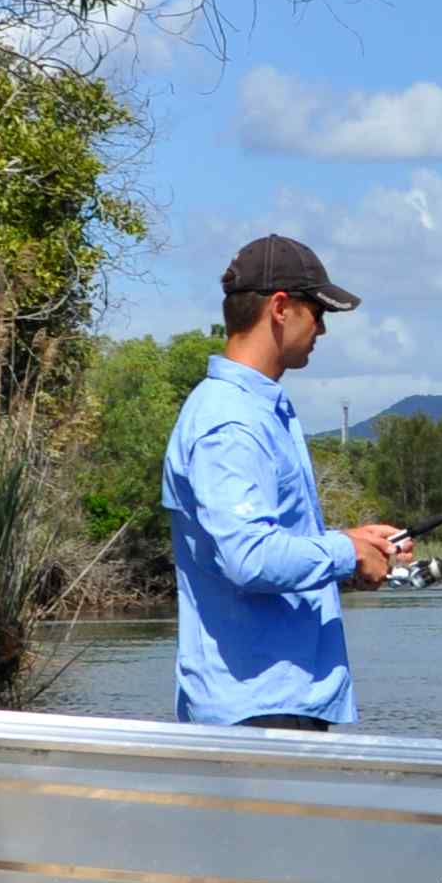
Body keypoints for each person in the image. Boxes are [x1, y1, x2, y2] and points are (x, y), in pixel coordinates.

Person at [164, 235, 406, 730]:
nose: (322, 328)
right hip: (259, 712)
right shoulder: (231, 422)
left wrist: (354, 546)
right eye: (317, 311)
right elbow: (248, 558)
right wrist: (345, 552)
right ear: (280, 308)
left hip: (278, 705)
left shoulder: (260, 410)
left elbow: (268, 543)